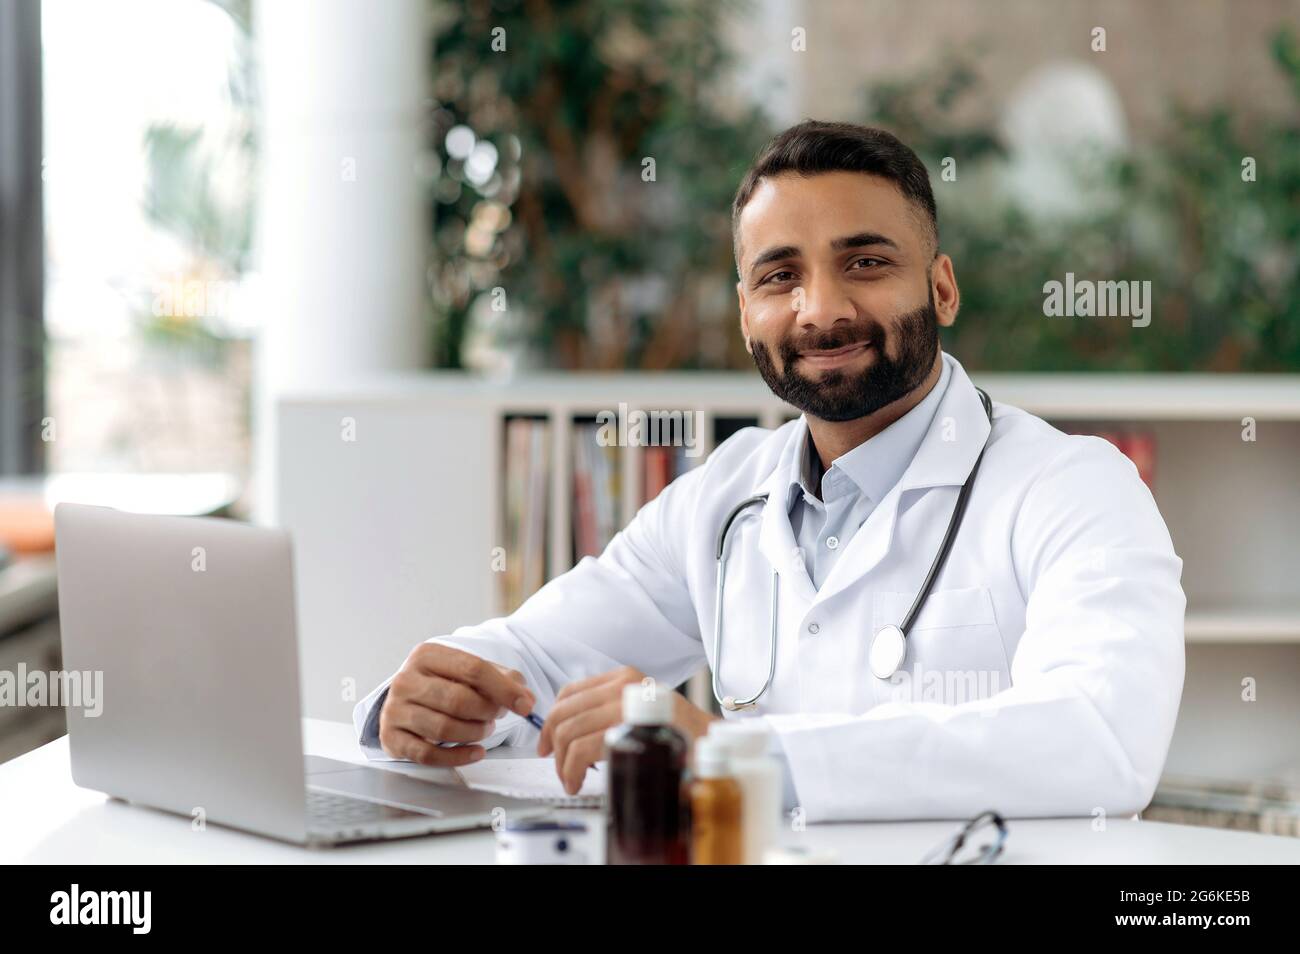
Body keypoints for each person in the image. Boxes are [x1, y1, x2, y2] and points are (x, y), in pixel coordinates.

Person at [353, 120, 1185, 822]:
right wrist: (423, 699)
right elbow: (538, 653)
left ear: (942, 288)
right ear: (746, 309)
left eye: (864, 263)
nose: (819, 309)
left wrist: (730, 755)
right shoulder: (725, 496)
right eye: (780, 276)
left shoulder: (1074, 486)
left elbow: (1101, 740)